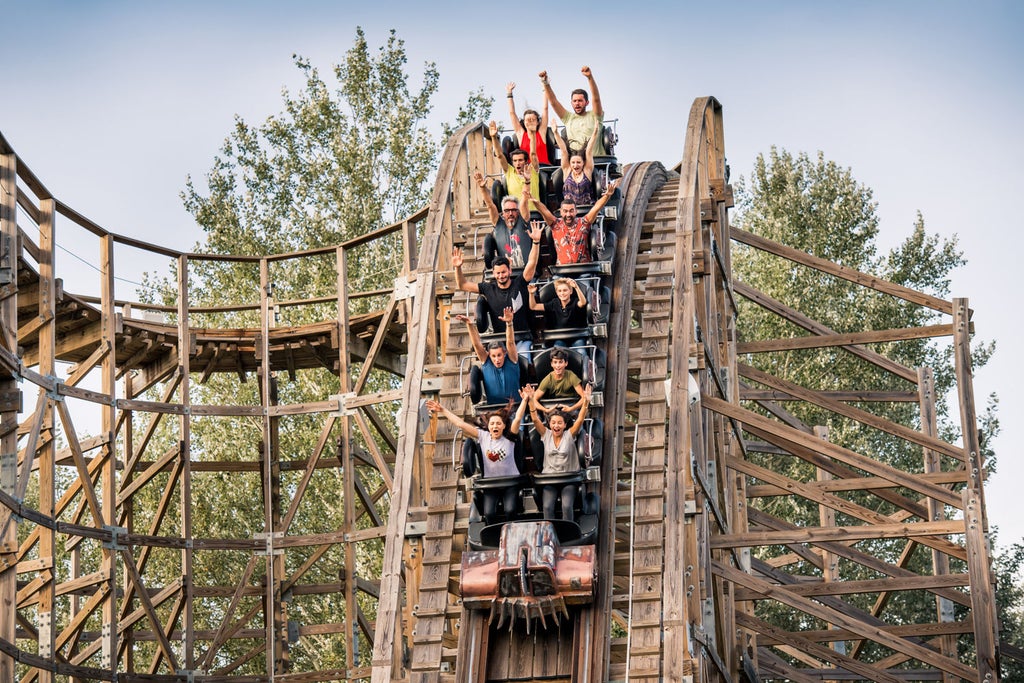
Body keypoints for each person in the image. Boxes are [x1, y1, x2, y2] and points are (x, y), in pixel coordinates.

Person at [425, 395, 529, 522]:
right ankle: (494, 537)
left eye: (498, 423)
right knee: (489, 513)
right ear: (489, 426)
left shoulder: (510, 437)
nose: (495, 426)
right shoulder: (483, 436)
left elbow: (518, 418)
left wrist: (525, 399)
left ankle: (512, 533)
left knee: (510, 510)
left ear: (503, 426)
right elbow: (460, 424)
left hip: (510, 483)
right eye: (492, 423)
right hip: (491, 484)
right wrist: (442, 410)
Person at [453, 223, 542, 359]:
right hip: (501, 342)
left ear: (510, 271)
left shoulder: (520, 282)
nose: (501, 276)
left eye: (504, 272)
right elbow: (463, 285)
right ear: (494, 274)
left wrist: (535, 242)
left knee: (522, 359)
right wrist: (458, 268)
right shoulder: (488, 288)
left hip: (522, 338)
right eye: (498, 273)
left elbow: (531, 263)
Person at [526, 384, 591, 522]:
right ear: (549, 424)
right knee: (548, 507)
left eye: (559, 423)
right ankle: (549, 534)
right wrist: (531, 401)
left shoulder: (569, 435)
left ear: (565, 425)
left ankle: (568, 533)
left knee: (566, 506)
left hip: (568, 478)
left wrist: (585, 402)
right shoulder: (546, 434)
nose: (556, 426)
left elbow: (579, 420)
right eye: (554, 423)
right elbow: (535, 420)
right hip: (550, 478)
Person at [523, 179, 620, 265]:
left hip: (582, 269)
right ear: (561, 212)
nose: (568, 214)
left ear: (576, 211)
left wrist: (607, 196)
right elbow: (544, 210)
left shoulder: (584, 222)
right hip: (562, 270)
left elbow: (596, 208)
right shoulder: (555, 224)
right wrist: (534, 201)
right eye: (565, 211)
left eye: (571, 211)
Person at [456, 307, 520, 405]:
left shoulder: (512, 359)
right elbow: (477, 345)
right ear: (489, 355)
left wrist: (509, 323)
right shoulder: (487, 362)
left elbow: (510, 342)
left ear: (504, 353)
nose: (497, 359)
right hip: (495, 410)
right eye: (493, 356)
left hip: (516, 406)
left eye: (499, 355)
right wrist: (469, 324)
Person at [539, 65, 606, 156]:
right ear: (571, 103)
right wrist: (545, 83)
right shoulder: (568, 117)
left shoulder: (595, 115)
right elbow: (554, 102)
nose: (577, 103)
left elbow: (596, 99)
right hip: (575, 163)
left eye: (580, 101)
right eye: (574, 101)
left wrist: (590, 78)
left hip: (596, 161)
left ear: (587, 102)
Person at [474, 171, 531, 269]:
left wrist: (527, 182)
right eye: (507, 211)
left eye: (513, 210)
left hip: (526, 273)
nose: (510, 213)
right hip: (505, 274)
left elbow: (525, 200)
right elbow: (490, 206)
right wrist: (482, 188)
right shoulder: (498, 223)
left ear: (518, 211)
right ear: (502, 213)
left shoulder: (523, 221)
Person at [528, 278, 589, 352]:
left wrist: (576, 287)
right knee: (557, 351)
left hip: (576, 336)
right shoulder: (554, 303)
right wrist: (531, 294)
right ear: (556, 293)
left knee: (581, 351)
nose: (562, 293)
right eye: (559, 291)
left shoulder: (575, 301)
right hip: (560, 337)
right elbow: (534, 306)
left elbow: (583, 302)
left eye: (565, 290)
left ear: (571, 291)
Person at [552, 120, 600, 206]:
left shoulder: (587, 171)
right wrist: (555, 132)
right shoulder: (567, 171)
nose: (575, 165)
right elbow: (563, 151)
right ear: (570, 164)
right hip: (569, 209)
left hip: (586, 208)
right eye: (573, 162)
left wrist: (595, 131)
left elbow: (589, 150)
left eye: (578, 162)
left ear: (583, 163)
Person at [489, 120, 540, 201]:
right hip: (516, 212)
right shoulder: (509, 171)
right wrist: (493, 137)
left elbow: (533, 153)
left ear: (526, 161)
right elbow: (500, 156)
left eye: (520, 160)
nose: (518, 163)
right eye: (515, 161)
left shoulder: (532, 170)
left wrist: (533, 134)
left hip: (534, 212)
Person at [506, 82, 551, 165]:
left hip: (543, 168)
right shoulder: (521, 134)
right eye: (528, 120)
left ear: (538, 122)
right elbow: (512, 113)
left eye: (533, 119)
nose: (530, 121)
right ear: (524, 122)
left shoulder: (541, 132)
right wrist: (509, 94)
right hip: (527, 170)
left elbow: (545, 109)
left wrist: (545, 87)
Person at [531, 348, 588, 414]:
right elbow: (534, 399)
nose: (557, 366)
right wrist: (545, 410)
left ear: (566, 363)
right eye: (555, 362)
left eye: (560, 362)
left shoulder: (571, 376)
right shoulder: (548, 379)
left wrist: (571, 408)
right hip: (553, 407)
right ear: (551, 364)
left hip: (571, 404)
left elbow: (584, 397)